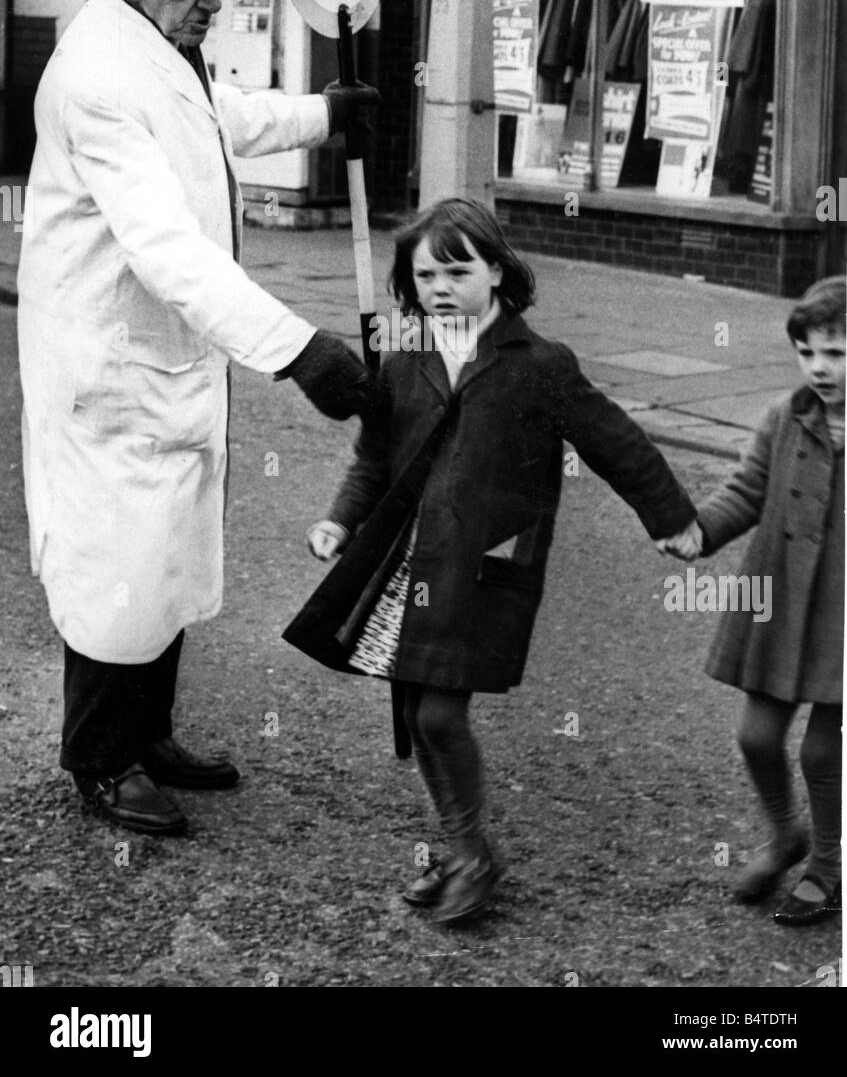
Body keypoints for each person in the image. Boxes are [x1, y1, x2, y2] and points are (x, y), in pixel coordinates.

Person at [17, 0, 385, 837]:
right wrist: (298, 350)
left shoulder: (153, 48)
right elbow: (167, 251)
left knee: (168, 552)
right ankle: (99, 759)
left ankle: (148, 734)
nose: (212, 4)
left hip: (163, 358)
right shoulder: (95, 75)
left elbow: (218, 119)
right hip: (109, 366)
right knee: (120, 567)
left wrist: (320, 112)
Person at [285, 197, 700, 925]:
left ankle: (473, 853)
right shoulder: (405, 357)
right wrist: (338, 519)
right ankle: (460, 846)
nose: (440, 287)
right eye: (424, 275)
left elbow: (615, 441)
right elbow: (373, 459)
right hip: (409, 565)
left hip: (485, 565)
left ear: (498, 272)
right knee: (418, 711)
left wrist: (668, 516)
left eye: (457, 269)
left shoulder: (539, 365)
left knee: (440, 712)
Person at [664, 277, 844, 926]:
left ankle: (825, 866)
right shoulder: (783, 417)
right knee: (755, 735)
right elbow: (745, 491)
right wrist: (698, 532)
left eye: (836, 353)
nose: (819, 367)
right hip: (782, 603)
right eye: (806, 352)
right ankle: (783, 835)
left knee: (823, 752)